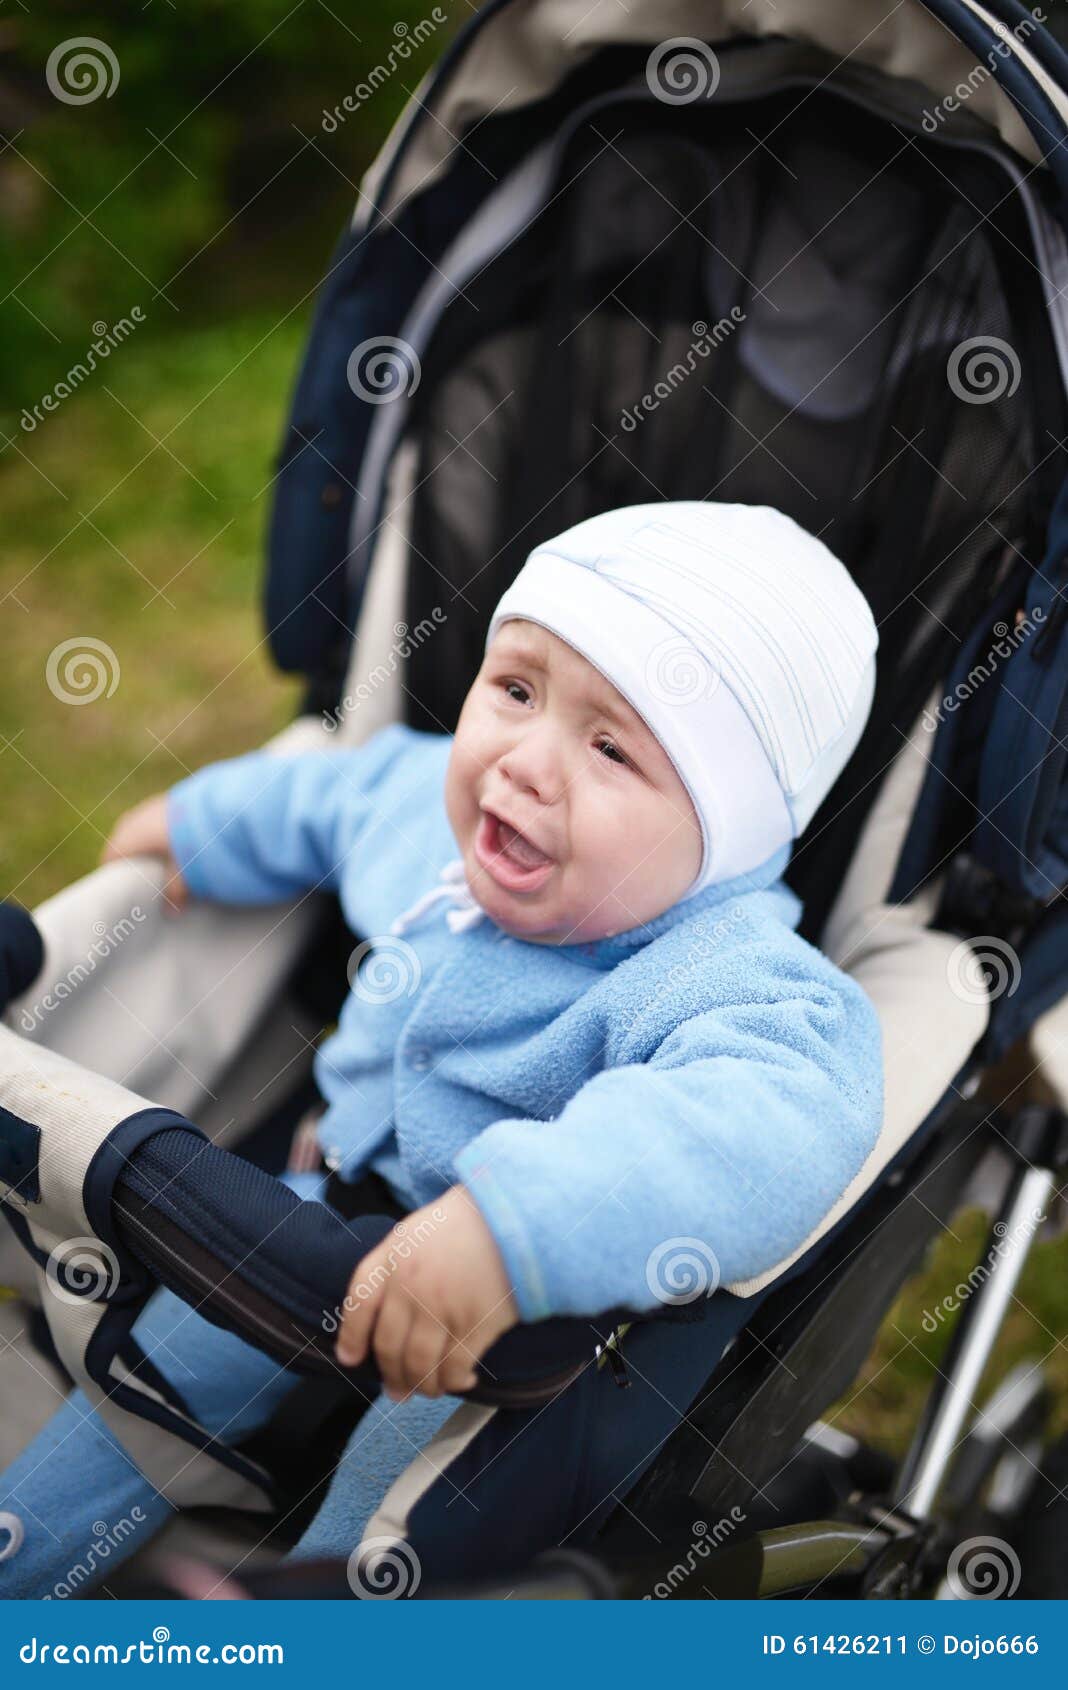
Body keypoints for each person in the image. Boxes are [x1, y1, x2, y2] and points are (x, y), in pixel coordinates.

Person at [0, 501, 883, 1595]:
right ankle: (29, 1555)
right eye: (515, 690)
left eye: (611, 748)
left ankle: (297, 1614)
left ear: (730, 828)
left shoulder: (731, 975)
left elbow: (765, 1117)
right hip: (309, 1216)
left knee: (403, 1517)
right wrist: (201, 827)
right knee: (156, 1379)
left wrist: (517, 1223)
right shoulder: (430, 808)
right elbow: (328, 791)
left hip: (488, 1341)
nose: (524, 763)